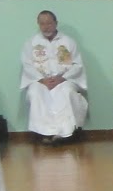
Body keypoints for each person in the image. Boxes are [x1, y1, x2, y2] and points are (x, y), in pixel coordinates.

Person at [20, 10, 87, 144]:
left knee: (66, 91)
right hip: (40, 80)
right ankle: (44, 133)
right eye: (42, 24)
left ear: (56, 23)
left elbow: (77, 64)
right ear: (38, 24)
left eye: (49, 23)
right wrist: (42, 80)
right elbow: (27, 65)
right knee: (34, 92)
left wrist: (62, 78)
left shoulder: (68, 42)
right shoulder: (31, 43)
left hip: (64, 79)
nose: (46, 27)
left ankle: (65, 133)